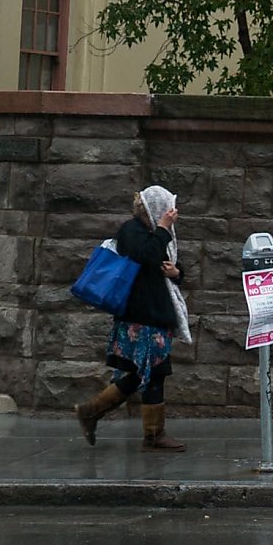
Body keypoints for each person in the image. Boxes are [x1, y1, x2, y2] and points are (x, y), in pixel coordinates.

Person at [74, 186, 191, 451]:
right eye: (167, 208)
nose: (172, 214)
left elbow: (164, 264)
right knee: (151, 372)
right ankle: (150, 434)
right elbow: (146, 256)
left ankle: (94, 412)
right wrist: (163, 229)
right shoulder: (132, 231)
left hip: (155, 315)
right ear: (154, 209)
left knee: (148, 373)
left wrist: (176, 273)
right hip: (141, 317)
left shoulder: (156, 234)